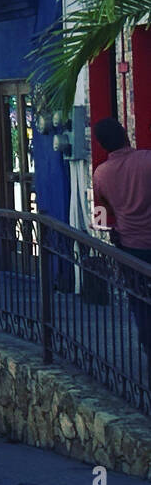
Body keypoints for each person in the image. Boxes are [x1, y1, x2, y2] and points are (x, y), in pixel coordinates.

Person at [92, 116, 151, 359]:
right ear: (125, 134)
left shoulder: (101, 174)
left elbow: (101, 217)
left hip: (130, 248)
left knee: (140, 303)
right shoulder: (147, 160)